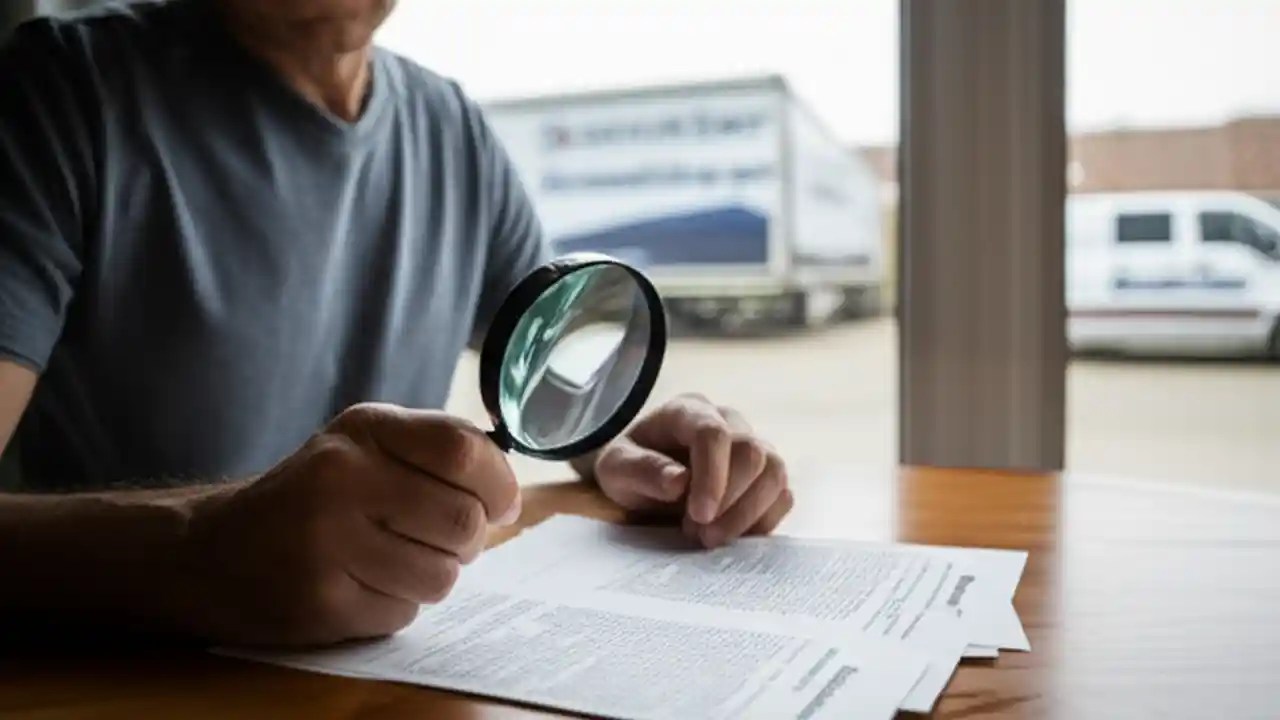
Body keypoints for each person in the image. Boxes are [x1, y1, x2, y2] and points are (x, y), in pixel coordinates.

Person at [0, 0, 792, 647]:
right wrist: (195, 550)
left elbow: (543, 387)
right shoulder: (58, 91)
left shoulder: (453, 130)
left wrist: (634, 444)